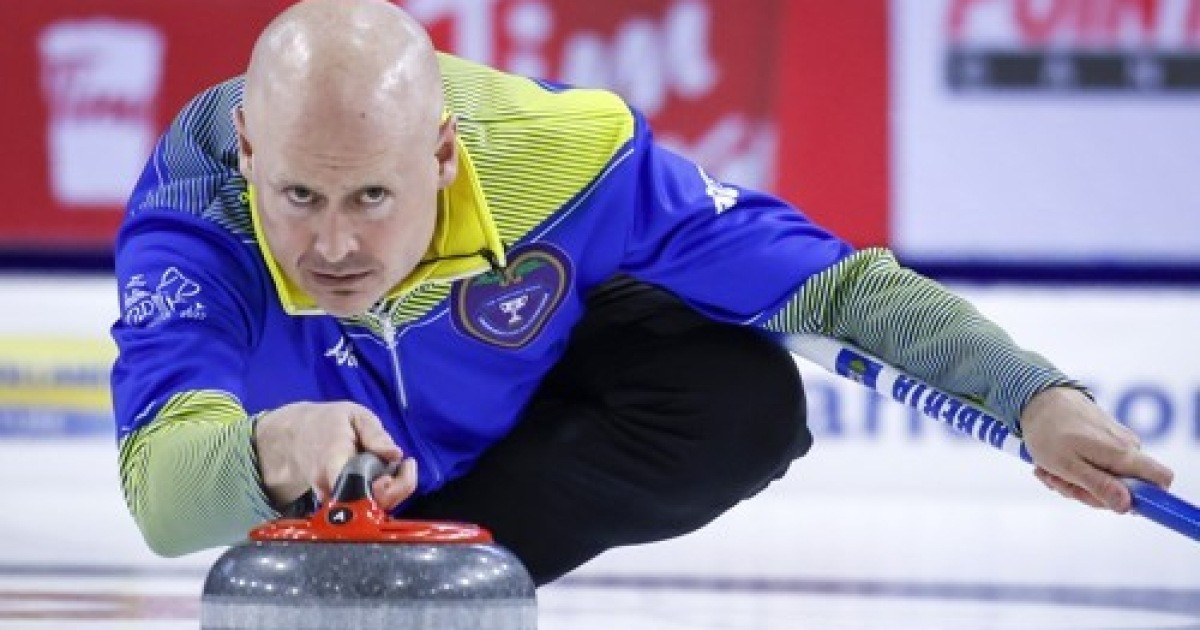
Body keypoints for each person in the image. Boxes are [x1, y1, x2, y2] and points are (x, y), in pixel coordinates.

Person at [111, 0, 1173, 585]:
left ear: (442, 153)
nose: (333, 243)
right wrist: (264, 449)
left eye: (372, 197)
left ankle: (437, 569)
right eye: (298, 194)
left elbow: (834, 289)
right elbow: (163, 493)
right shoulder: (192, 216)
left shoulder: (569, 160)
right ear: (248, 149)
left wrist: (1032, 396)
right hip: (319, 459)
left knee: (745, 402)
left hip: (506, 427)